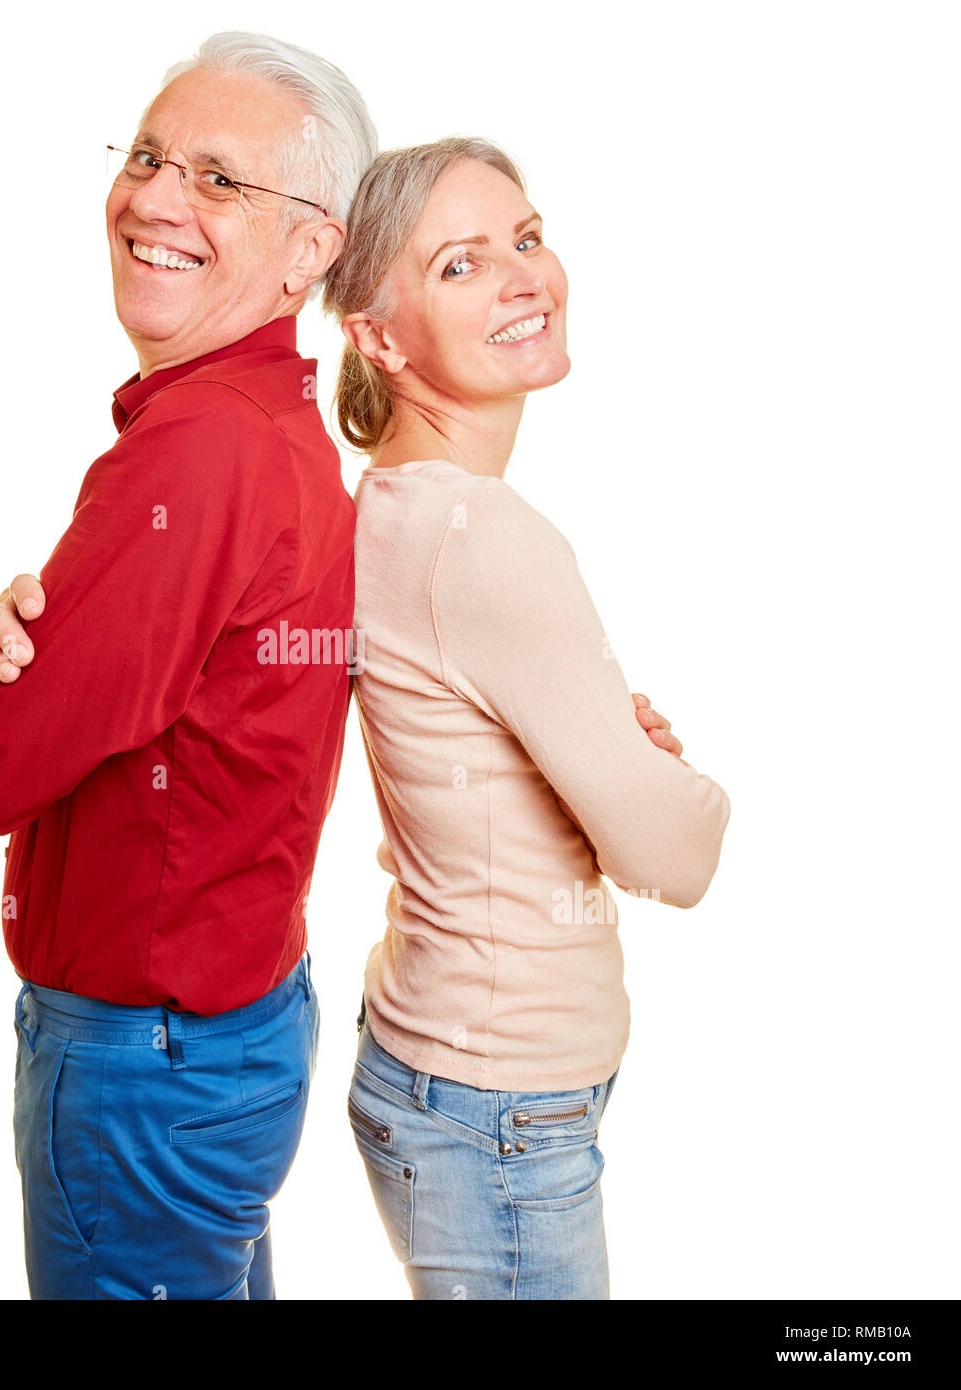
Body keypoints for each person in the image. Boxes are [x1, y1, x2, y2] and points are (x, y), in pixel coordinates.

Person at [0, 32, 376, 1300]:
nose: (155, 199)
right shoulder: (272, 427)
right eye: (151, 157)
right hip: (232, 1030)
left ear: (309, 249)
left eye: (220, 180)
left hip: (145, 1070)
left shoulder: (199, 454)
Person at [320, 138, 732, 1299]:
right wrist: (663, 784)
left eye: (528, 237)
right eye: (460, 264)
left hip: (443, 1077)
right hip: (497, 1111)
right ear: (379, 337)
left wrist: (587, 746)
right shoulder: (486, 537)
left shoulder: (393, 507)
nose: (522, 276)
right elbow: (674, 854)